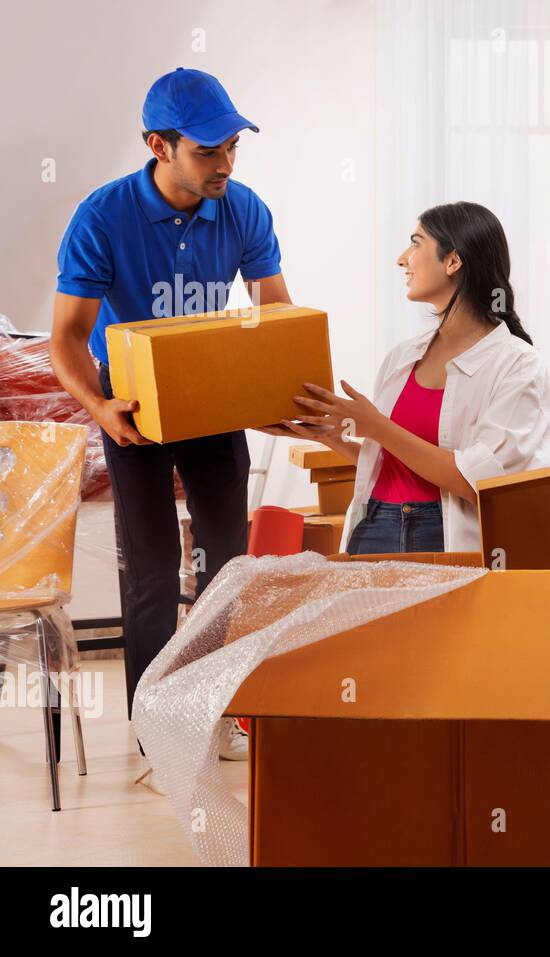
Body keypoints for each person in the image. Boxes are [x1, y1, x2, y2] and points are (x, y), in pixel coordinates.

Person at [50, 69, 290, 777]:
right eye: (208, 150)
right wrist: (99, 408)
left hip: (212, 405)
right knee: (151, 572)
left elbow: (276, 315)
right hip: (134, 409)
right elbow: (67, 339)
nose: (224, 164)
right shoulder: (103, 216)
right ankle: (155, 726)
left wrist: (282, 393)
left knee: (225, 566)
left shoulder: (243, 210)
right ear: (158, 144)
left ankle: (215, 710)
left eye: (232, 149)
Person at [264, 202, 550, 554]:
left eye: (416, 242)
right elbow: (394, 461)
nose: (402, 258)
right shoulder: (403, 357)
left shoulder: (517, 365)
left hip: (440, 534)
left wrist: (376, 426)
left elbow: (481, 481)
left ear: (452, 261)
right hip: (374, 525)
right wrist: (336, 437)